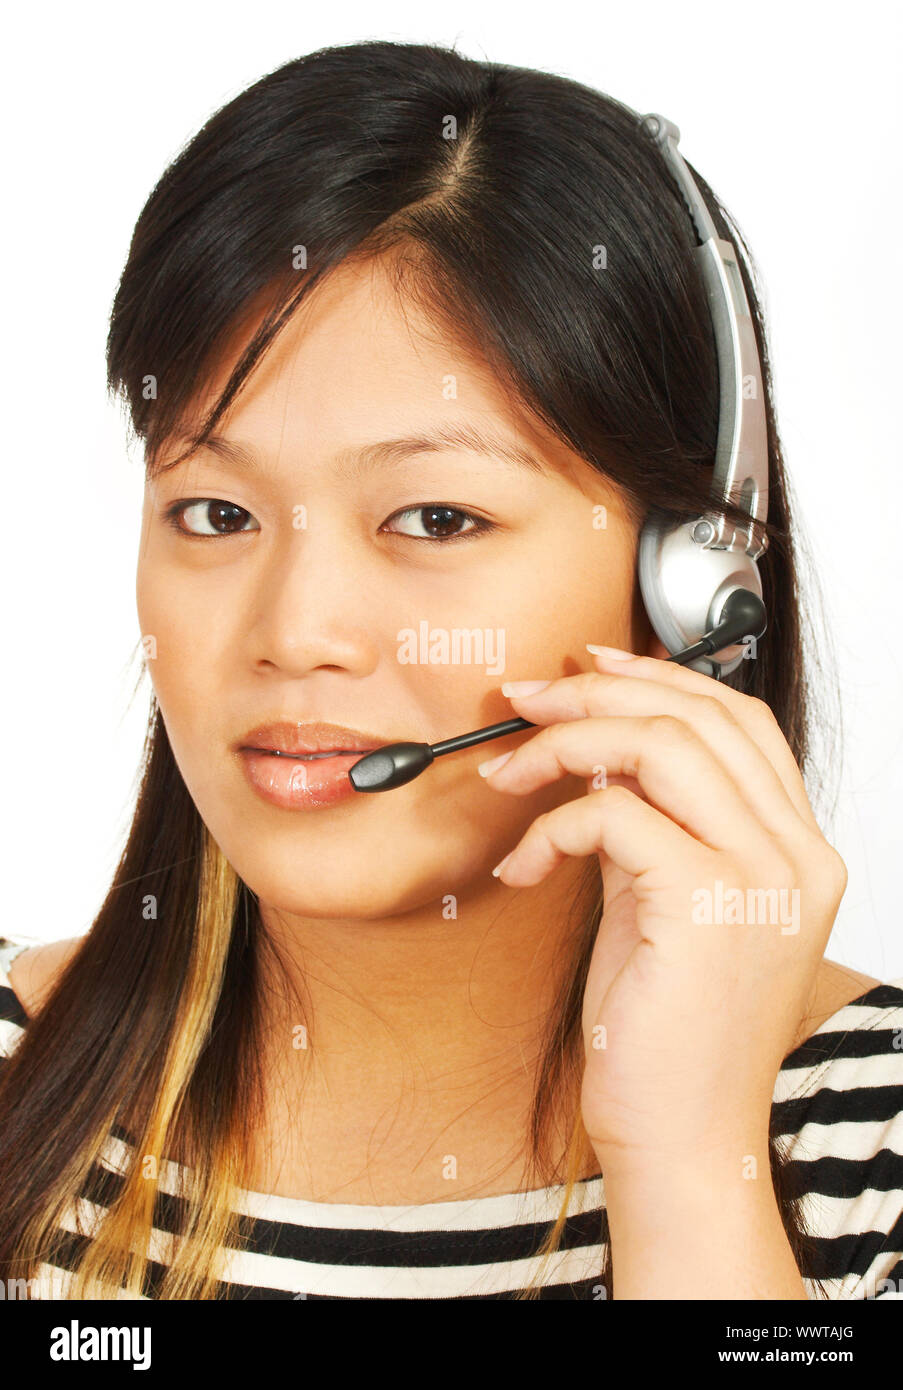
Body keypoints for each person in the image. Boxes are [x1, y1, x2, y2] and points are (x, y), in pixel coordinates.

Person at [0, 38, 900, 1301]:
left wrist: (694, 1167)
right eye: (215, 513)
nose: (295, 631)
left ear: (687, 587)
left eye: (433, 519)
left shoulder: (876, 1145)